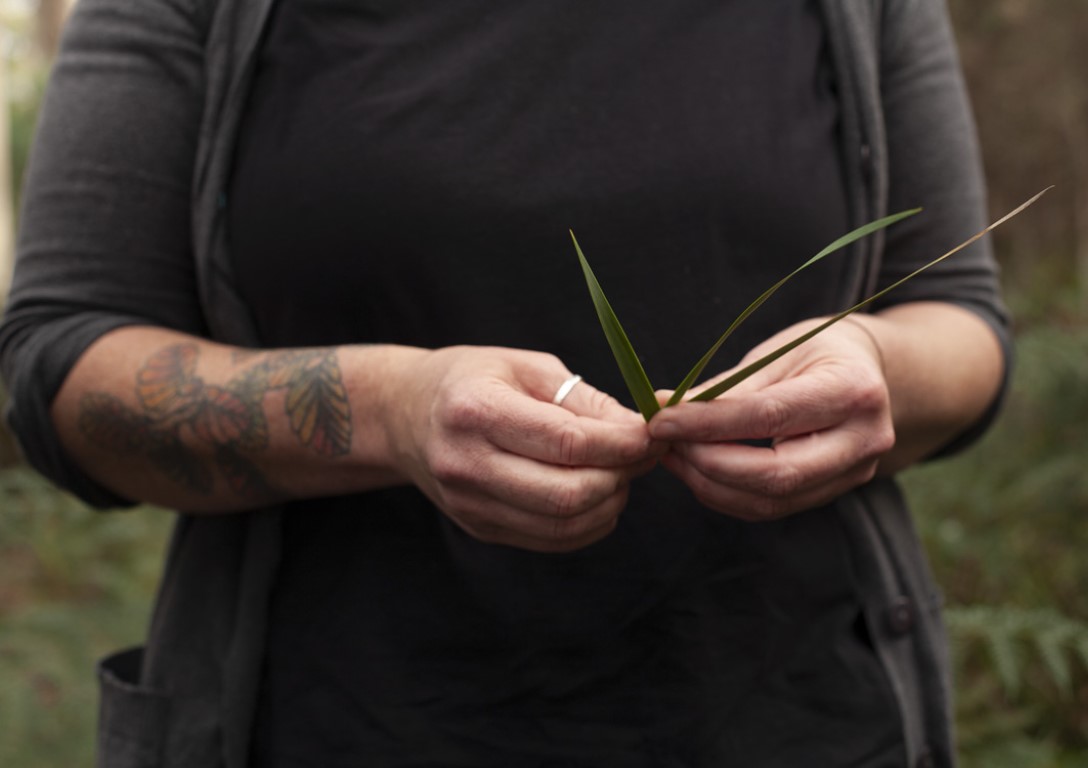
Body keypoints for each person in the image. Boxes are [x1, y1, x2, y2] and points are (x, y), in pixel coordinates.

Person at [0, 0, 1010, 765]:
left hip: (805, 718)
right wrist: (395, 414)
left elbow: (959, 316)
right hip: (333, 724)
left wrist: (878, 367)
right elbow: (61, 364)